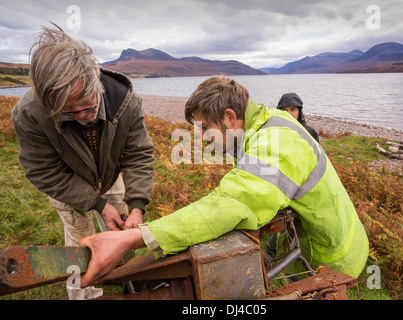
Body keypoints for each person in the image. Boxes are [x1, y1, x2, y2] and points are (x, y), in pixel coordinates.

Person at [79, 75, 368, 288]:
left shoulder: (278, 142)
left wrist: (133, 238)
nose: (201, 137)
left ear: (229, 117)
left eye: (204, 127)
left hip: (331, 258)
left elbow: (236, 201)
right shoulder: (262, 126)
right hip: (314, 242)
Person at [11, 24, 154, 299]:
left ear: (97, 77)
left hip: (110, 177)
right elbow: (43, 171)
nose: (81, 116)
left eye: (88, 105)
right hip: (68, 184)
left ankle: (126, 276)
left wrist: (137, 206)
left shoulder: (126, 101)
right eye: (67, 110)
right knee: (80, 243)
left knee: (125, 230)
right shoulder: (29, 114)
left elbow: (138, 154)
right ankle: (84, 294)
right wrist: (96, 203)